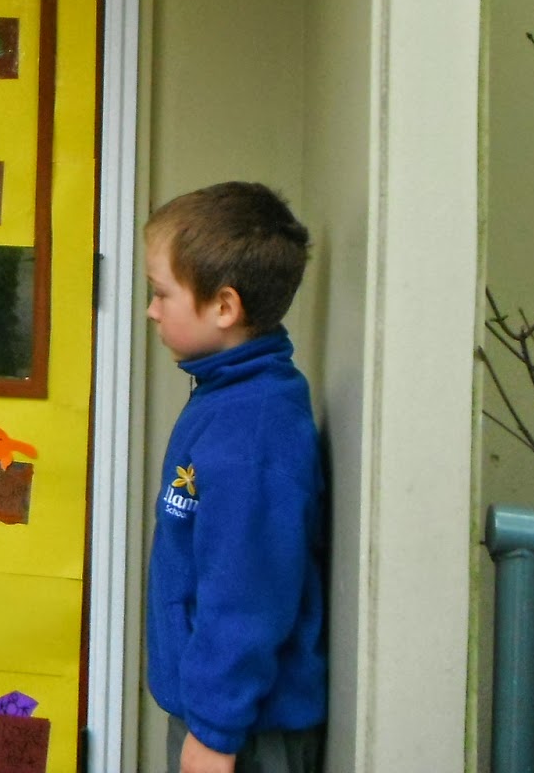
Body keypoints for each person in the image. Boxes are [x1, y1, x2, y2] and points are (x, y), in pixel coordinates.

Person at [144, 182, 327, 773]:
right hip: (223, 716)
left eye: (161, 294)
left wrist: (216, 734)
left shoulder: (253, 428)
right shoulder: (231, 393)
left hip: (245, 733)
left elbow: (246, 592)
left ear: (224, 307)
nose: (151, 310)